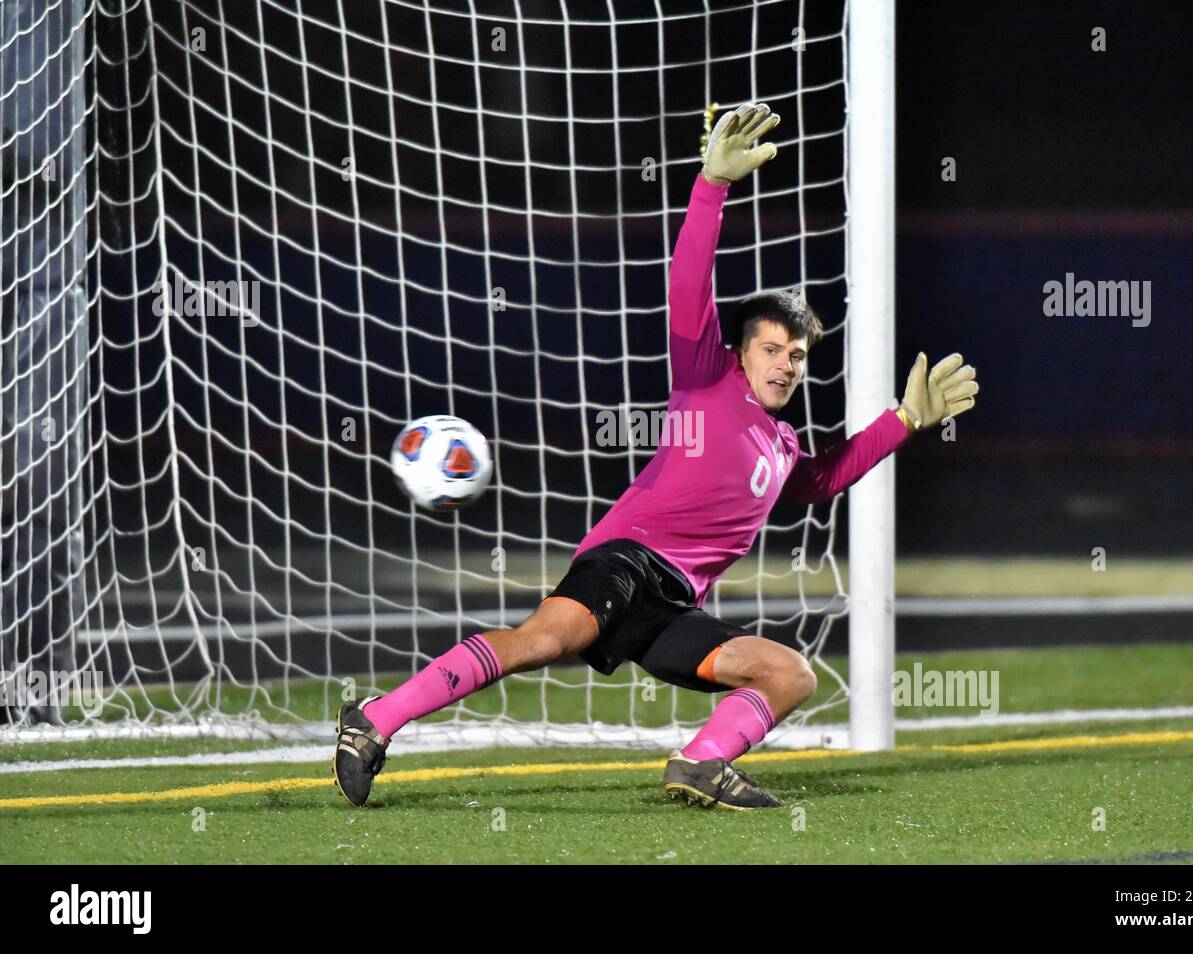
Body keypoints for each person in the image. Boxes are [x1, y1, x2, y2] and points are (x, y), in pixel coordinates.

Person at [333, 102, 978, 810]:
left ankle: (700, 764)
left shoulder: (781, 442)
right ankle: (376, 718)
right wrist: (712, 186)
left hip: (673, 607)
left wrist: (905, 420)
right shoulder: (706, 378)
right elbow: (687, 284)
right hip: (629, 561)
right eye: (772, 349)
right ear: (740, 352)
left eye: (796, 355)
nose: (786, 364)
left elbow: (822, 480)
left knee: (791, 675)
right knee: (544, 643)